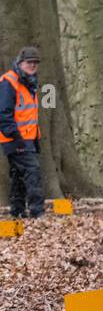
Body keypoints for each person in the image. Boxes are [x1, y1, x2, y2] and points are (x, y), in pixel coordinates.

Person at [1, 47, 44, 218]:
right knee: (33, 171)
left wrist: (34, 139)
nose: (32, 65)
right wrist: (16, 138)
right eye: (29, 62)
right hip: (16, 138)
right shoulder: (8, 82)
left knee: (19, 174)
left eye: (35, 63)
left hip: (28, 138)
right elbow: (3, 114)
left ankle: (17, 211)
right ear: (20, 63)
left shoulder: (30, 82)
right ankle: (37, 213)